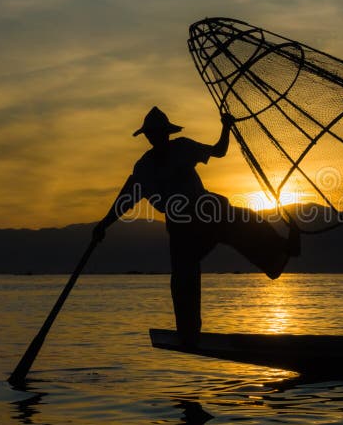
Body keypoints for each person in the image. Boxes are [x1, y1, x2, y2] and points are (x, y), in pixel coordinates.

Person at [93, 106, 300, 346]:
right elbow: (125, 199)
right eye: (153, 134)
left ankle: (278, 255)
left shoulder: (182, 148)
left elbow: (219, 151)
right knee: (183, 277)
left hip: (206, 211)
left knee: (244, 221)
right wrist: (103, 225)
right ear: (149, 137)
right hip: (182, 228)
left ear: (165, 134)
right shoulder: (144, 169)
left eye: (160, 133)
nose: (157, 137)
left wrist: (226, 127)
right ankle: (189, 333)